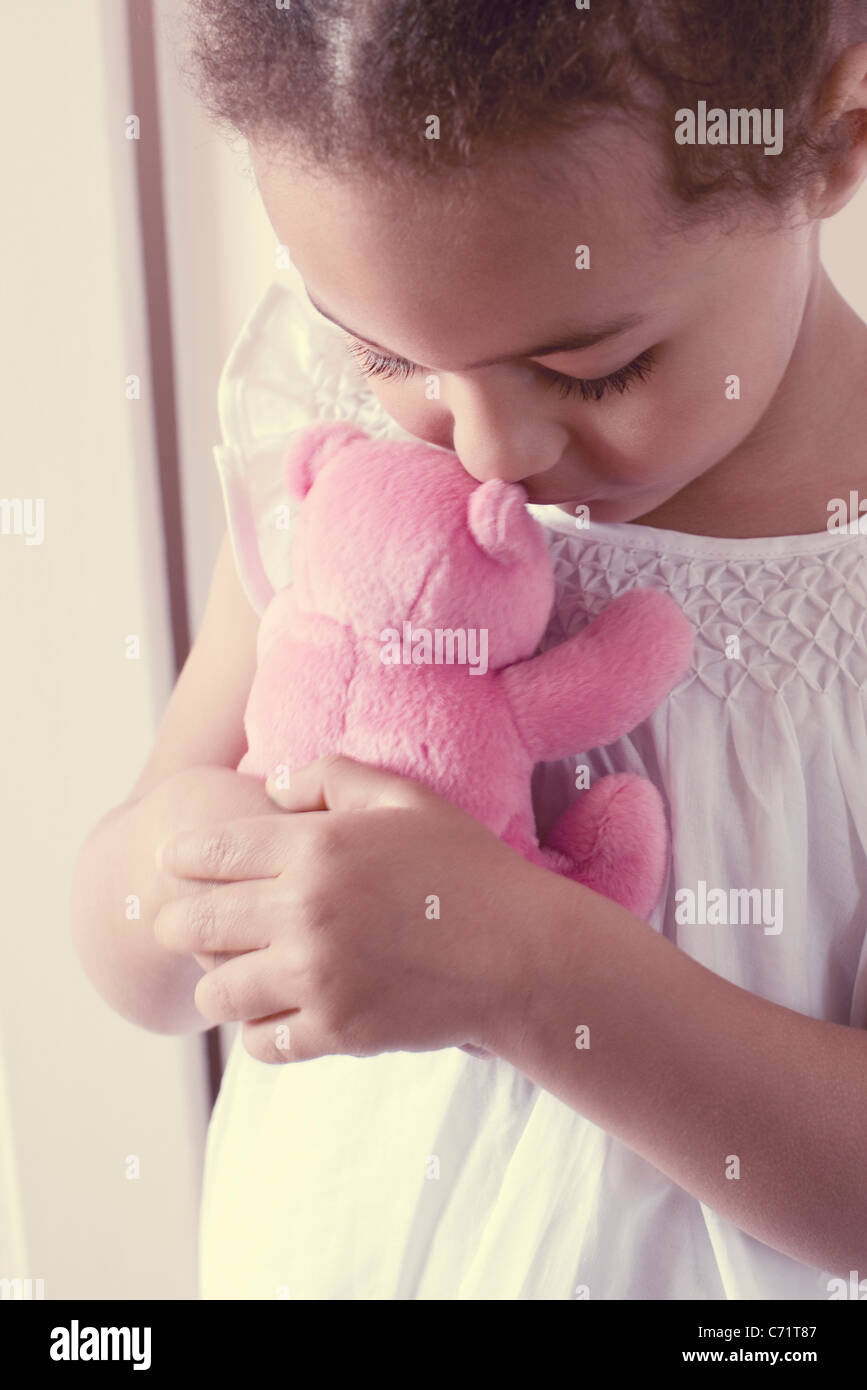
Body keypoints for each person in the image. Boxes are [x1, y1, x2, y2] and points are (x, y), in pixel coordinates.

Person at [72, 0, 867, 1298]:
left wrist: (528, 971)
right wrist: (200, 866)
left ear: (836, 137)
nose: (482, 454)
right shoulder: (344, 472)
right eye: (386, 353)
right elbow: (129, 951)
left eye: (593, 371)